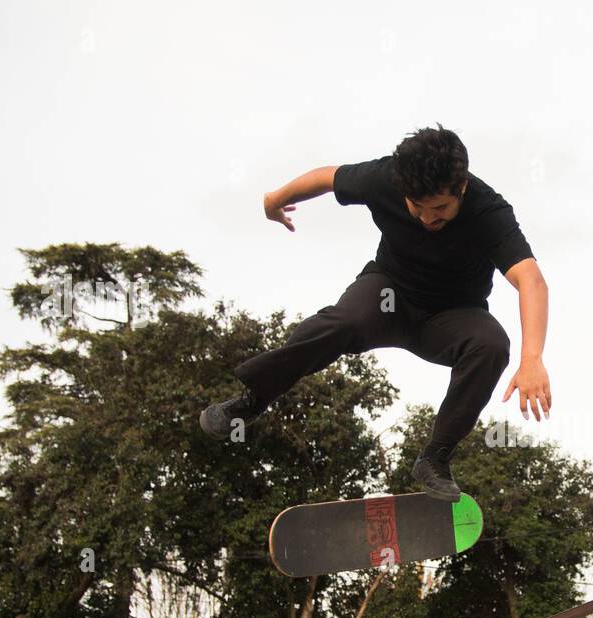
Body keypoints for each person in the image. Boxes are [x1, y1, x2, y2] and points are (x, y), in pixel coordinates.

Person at [201, 125, 552, 501]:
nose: (427, 218)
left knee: (492, 344)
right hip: (388, 294)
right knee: (343, 322)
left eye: (440, 209)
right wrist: (273, 200)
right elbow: (327, 178)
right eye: (416, 207)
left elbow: (530, 280)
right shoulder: (383, 178)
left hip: (450, 318)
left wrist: (532, 358)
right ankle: (251, 401)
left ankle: (435, 458)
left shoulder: (488, 210)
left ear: (462, 187)